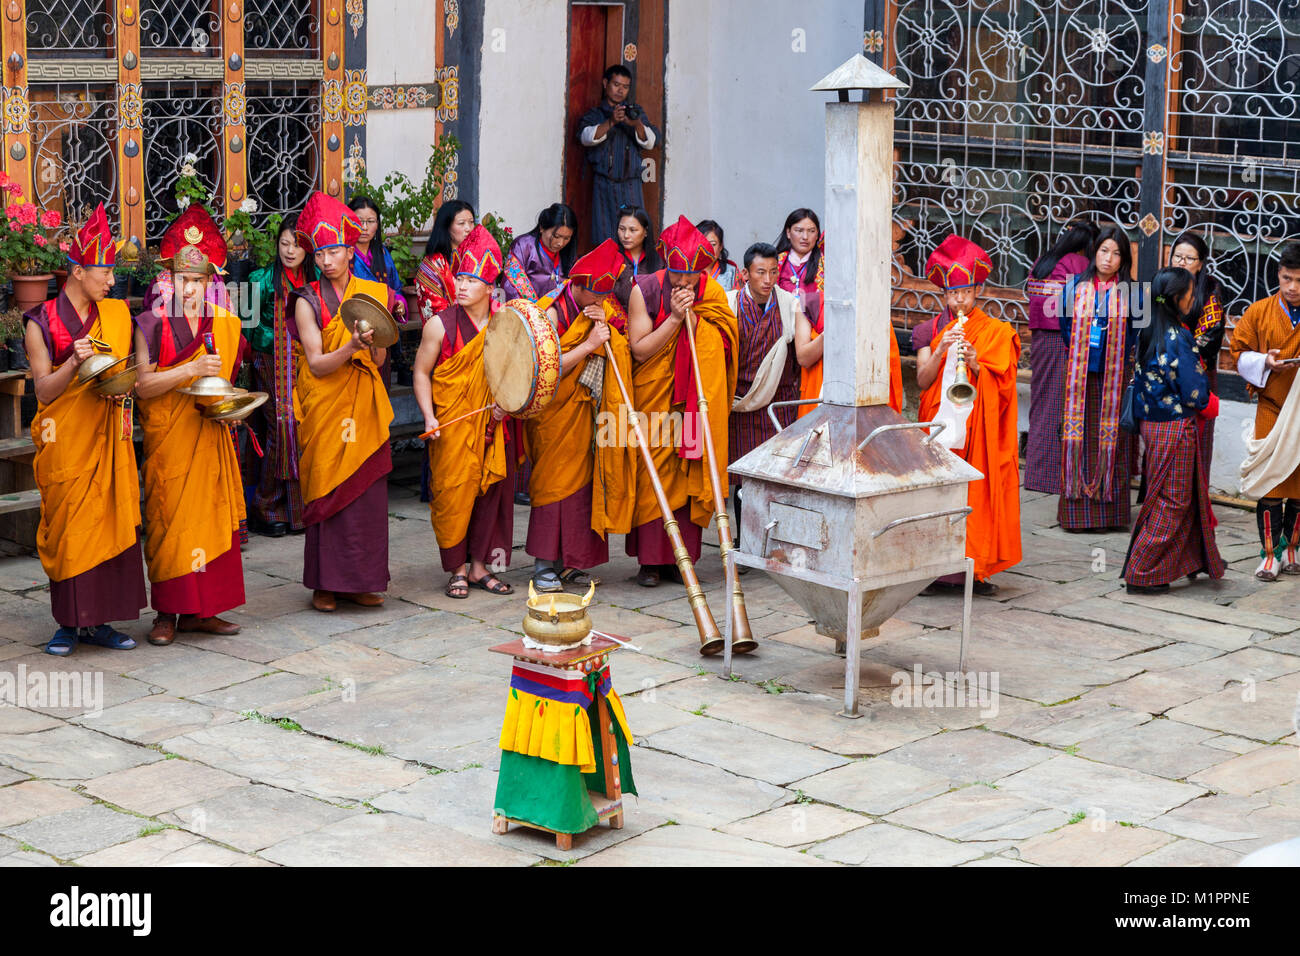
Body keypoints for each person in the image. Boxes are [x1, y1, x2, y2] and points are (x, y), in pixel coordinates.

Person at [24, 204, 146, 656]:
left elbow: (127, 371)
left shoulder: (115, 315)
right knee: (72, 528)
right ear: (77, 271)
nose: (112, 282)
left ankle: (102, 622)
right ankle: (69, 625)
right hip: (67, 442)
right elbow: (44, 392)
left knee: (111, 519)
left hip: (108, 436)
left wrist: (122, 392)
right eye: (105, 272)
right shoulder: (41, 322)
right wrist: (73, 363)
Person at [133, 209, 246, 645]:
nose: (191, 289)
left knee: (210, 518)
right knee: (168, 520)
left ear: (209, 282)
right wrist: (191, 369)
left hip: (208, 436)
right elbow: (143, 386)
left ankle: (204, 611)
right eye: (183, 281)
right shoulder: (149, 325)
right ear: (170, 282)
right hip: (170, 442)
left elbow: (226, 383)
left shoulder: (225, 323)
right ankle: (167, 613)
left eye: (198, 281)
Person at [289, 191, 395, 612]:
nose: (326, 261)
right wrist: (351, 346)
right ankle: (325, 583)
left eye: (334, 251)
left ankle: (362, 580)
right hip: (325, 406)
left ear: (351, 251)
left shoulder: (373, 292)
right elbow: (315, 363)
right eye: (320, 254)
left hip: (363, 405)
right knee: (328, 489)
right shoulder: (306, 300)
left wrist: (370, 346)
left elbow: (383, 356)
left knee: (365, 494)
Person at [625, 215, 738, 588]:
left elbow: (726, 342)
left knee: (692, 468)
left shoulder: (714, 293)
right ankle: (651, 562)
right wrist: (675, 319)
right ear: (667, 266)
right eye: (678, 275)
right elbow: (640, 351)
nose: (685, 283)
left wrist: (700, 327)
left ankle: (682, 559)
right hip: (655, 398)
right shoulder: (646, 289)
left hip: (696, 400)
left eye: (692, 276)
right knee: (652, 473)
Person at [524, 239, 637, 592]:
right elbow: (544, 368)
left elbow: (618, 346)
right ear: (580, 286)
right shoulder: (552, 313)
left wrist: (605, 335)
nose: (603, 302)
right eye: (597, 295)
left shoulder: (598, 310)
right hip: (554, 412)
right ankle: (544, 565)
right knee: (553, 485)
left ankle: (572, 563)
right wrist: (589, 345)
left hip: (587, 409)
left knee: (583, 488)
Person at [914, 235, 1022, 595]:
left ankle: (972, 569)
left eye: (965, 291)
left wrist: (977, 365)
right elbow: (923, 380)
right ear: (944, 293)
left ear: (977, 290)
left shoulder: (995, 332)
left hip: (977, 428)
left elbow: (1004, 384)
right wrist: (941, 350)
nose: (959, 299)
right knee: (939, 495)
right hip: (940, 425)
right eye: (952, 292)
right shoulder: (930, 330)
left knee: (973, 495)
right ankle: (935, 569)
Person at [416, 225, 518, 598]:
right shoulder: (438, 326)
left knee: (491, 494)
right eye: (459, 277)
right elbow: (421, 374)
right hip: (452, 425)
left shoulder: (505, 325)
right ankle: (456, 568)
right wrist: (429, 415)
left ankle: (479, 568)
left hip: (494, 424)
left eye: (472, 279)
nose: (461, 285)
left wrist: (505, 406)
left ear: (489, 287)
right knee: (452, 494)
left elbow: (518, 373)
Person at [1122, 267, 1224, 594]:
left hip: (1151, 425)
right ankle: (1143, 569)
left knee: (1168, 495)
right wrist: (1211, 403)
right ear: (1179, 298)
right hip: (1175, 428)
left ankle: (1190, 561)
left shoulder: (1148, 330)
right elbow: (1195, 391)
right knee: (1173, 500)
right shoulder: (1180, 337)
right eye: (1190, 294)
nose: (1192, 299)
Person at [1057, 224, 1140, 532]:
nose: (1109, 258)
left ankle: (1109, 516)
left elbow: (1136, 334)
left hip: (1115, 379)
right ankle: (1076, 515)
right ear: (1095, 252)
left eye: (1117, 253)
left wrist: (1116, 357)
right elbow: (1066, 328)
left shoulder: (1133, 292)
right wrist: (1084, 354)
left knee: (1112, 439)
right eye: (1104, 250)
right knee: (1079, 437)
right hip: (1080, 377)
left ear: (1123, 260)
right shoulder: (1072, 286)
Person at [1231, 242, 1300, 580]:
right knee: (1270, 486)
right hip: (1272, 408)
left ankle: (1293, 549)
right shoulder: (1258, 312)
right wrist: (1265, 361)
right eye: (1287, 278)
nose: (1293, 287)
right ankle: (1269, 554)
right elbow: (1238, 352)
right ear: (1278, 274)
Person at [245, 214, 312, 537]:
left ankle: (296, 508)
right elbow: (245, 325)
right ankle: (265, 506)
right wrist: (274, 341)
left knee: (302, 426)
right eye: (284, 243)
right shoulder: (259, 278)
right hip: (270, 361)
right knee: (281, 426)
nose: (289, 250)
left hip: (307, 361)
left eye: (296, 244)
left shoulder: (314, 279)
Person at [725, 243, 801, 529]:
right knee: (745, 476)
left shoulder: (789, 305)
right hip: (739, 403)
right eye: (761, 272)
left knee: (775, 475)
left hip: (776, 404)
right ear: (745, 274)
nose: (768, 279)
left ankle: (774, 541)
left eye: (773, 271)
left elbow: (800, 354)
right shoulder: (728, 305)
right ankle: (745, 541)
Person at [1024, 219, 1097, 494]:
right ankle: (1054, 479)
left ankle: (1035, 475)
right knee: (1061, 409)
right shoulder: (1078, 265)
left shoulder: (1042, 262)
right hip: (1062, 341)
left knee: (1041, 405)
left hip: (1041, 340)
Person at [578, 65, 660, 245]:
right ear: (605, 83)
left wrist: (636, 124)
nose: (620, 90)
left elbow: (652, 140)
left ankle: (634, 273)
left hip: (631, 185)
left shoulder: (635, 113)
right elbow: (586, 137)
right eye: (616, 84)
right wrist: (611, 121)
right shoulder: (595, 114)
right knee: (604, 239)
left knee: (634, 236)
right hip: (603, 185)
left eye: (625, 86)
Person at [796, 281, 903, 419]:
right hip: (820, 394)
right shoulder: (809, 303)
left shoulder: (874, 309)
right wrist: (830, 331)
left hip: (861, 399)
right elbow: (804, 359)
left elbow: (882, 368)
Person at [1168, 230, 1227, 472]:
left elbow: (1208, 338)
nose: (1181, 263)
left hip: (1196, 374)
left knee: (1195, 444)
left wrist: (1174, 353)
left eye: (1189, 258)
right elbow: (1148, 326)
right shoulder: (1162, 284)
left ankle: (1194, 507)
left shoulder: (1210, 290)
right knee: (1165, 440)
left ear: (1200, 263)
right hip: (1163, 377)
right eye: (1177, 256)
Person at [414, 199, 476, 324]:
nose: (468, 228)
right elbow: (435, 313)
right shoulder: (433, 265)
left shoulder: (476, 259)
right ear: (447, 227)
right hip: (447, 335)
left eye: (471, 222)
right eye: (461, 223)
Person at [503, 203, 577, 302]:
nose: (560, 243)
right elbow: (511, 286)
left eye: (567, 238)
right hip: (528, 313)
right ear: (542, 227)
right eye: (556, 236)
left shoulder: (568, 254)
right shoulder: (523, 246)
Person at [348, 196, 407, 318]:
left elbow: (396, 289)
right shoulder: (343, 253)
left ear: (377, 224)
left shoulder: (383, 253)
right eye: (359, 221)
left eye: (370, 221)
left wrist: (399, 303)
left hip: (382, 321)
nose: (364, 227)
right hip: (352, 319)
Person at [774, 208, 823, 301]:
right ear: (788, 233)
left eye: (811, 231)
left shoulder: (825, 265)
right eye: (799, 230)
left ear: (817, 235)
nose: (805, 237)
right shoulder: (775, 262)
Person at [616, 205, 661, 278]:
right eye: (622, 229)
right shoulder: (611, 258)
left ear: (646, 231)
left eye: (632, 230)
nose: (626, 235)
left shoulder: (659, 260)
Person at [698, 219, 738, 291]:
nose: (708, 249)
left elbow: (739, 300)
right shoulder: (687, 272)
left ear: (720, 246)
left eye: (713, 244)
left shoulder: (732, 272)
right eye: (703, 244)